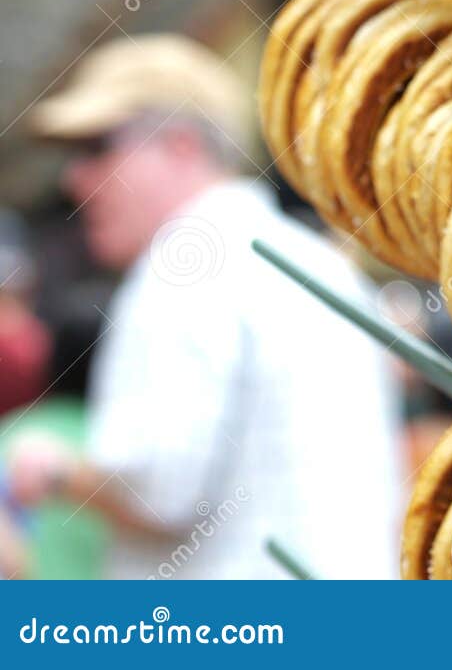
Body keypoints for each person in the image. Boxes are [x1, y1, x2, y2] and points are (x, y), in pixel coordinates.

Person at [7, 35, 403, 580]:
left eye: (96, 147)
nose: (75, 179)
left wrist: (50, 466)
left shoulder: (182, 266)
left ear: (182, 146)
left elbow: (156, 491)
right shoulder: (319, 263)